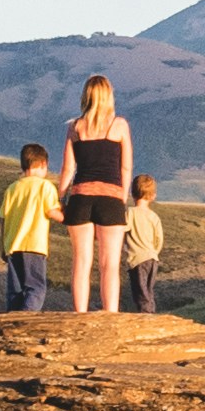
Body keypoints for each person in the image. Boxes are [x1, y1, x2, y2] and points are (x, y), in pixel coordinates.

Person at [60, 70, 137, 313]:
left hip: (81, 197)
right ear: (108, 97)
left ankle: (79, 314)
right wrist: (121, 199)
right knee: (109, 265)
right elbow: (126, 167)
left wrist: (61, 199)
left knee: (81, 262)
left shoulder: (75, 127)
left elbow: (68, 168)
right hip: (111, 198)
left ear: (87, 97)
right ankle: (110, 314)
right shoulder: (119, 125)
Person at [0, 142, 63, 312]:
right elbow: (52, 211)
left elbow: (4, 219)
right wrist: (69, 218)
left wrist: (3, 247)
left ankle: (12, 319)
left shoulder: (12, 189)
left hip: (12, 246)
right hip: (34, 245)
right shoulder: (45, 187)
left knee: (15, 290)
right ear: (43, 164)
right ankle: (26, 318)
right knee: (36, 288)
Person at [123, 173, 165, 314]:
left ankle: (146, 317)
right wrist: (154, 252)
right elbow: (159, 240)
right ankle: (150, 314)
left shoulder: (130, 213)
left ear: (132, 193)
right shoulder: (154, 217)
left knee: (140, 294)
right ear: (153, 195)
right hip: (152, 258)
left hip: (137, 260)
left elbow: (122, 228)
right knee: (148, 291)